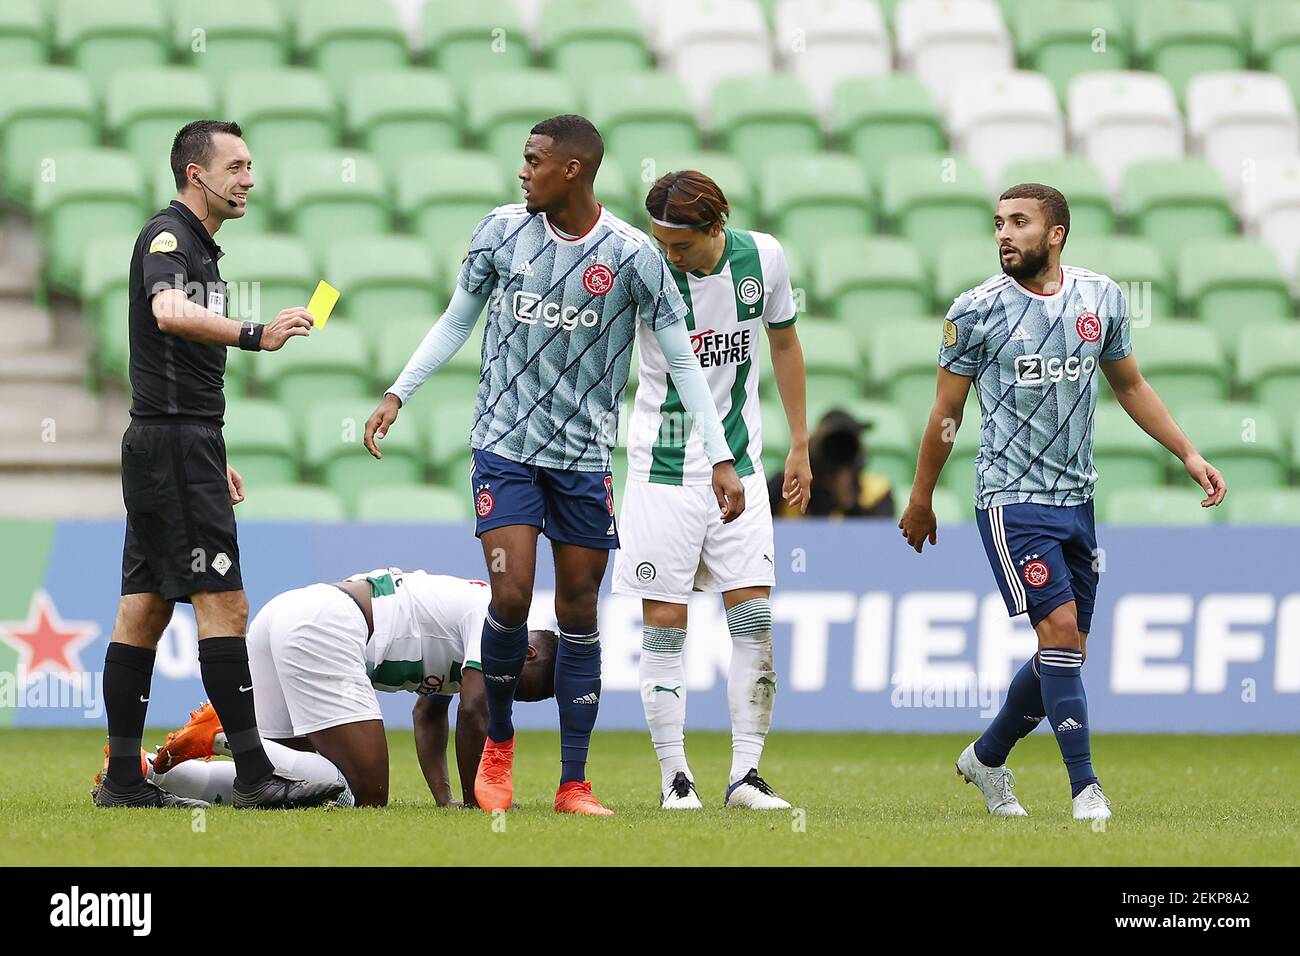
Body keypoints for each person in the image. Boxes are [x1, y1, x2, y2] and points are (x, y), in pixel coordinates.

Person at [362, 115, 742, 816]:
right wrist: (397, 393)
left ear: (573, 169)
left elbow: (683, 358)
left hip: (583, 460)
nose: (522, 170)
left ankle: (574, 783)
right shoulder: (500, 232)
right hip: (504, 447)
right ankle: (500, 749)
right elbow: (456, 320)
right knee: (509, 597)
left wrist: (720, 456)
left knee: (577, 613)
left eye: (533, 159)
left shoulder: (632, 255)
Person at [898, 183, 1227, 821]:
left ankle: (987, 757)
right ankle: (1085, 788)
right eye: (998, 223)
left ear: (1057, 235)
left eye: (1019, 223)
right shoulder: (974, 310)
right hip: (1009, 498)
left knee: (1066, 649)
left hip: (1078, 499)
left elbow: (1129, 385)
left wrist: (1187, 452)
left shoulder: (1100, 298)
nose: (1003, 234)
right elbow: (946, 412)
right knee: (1057, 632)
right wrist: (920, 498)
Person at [96, 119, 334, 810]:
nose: (249, 179)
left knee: (142, 609)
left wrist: (213, 453)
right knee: (224, 603)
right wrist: (256, 334)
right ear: (197, 175)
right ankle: (257, 775)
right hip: (173, 447)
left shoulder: (202, 247)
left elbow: (185, 367)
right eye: (237, 166)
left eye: (251, 165)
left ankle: (121, 779)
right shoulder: (170, 238)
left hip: (173, 443)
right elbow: (169, 312)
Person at [612, 170, 809, 810]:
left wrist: (799, 443)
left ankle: (745, 776)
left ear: (715, 229)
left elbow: (783, 343)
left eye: (682, 246)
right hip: (660, 470)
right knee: (665, 629)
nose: (669, 255)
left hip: (743, 469)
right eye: (661, 242)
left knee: (753, 622)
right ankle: (676, 779)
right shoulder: (642, 268)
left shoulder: (764, 257)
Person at [132, 569, 558, 808]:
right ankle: (222, 733)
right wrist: (478, 802)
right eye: (523, 688)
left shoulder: (469, 642)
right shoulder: (496, 621)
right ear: (530, 655)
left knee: (281, 786)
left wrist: (447, 801)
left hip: (290, 612)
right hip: (325, 625)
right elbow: (474, 712)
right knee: (364, 796)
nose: (512, 695)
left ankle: (150, 768)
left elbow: (429, 715)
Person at [769, 409, 894, 519]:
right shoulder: (787, 484)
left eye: (847, 446)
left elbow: (878, 538)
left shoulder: (876, 491)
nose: (840, 453)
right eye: (834, 447)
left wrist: (849, 502)